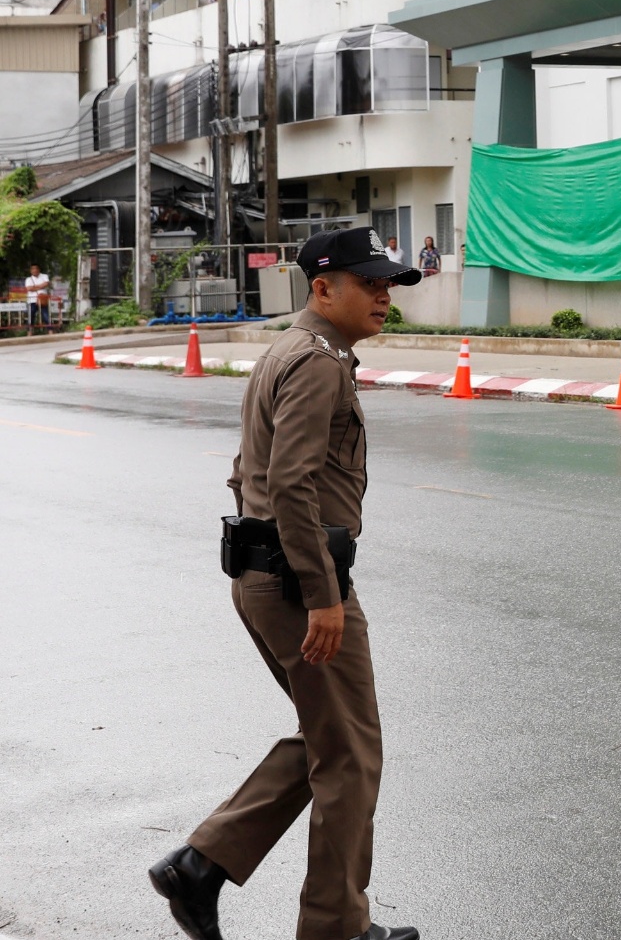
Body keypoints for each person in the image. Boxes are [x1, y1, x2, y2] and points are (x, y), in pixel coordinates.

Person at [148, 227, 422, 940]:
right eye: (371, 282)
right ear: (323, 287)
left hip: (269, 574)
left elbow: (249, 470)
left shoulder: (293, 349)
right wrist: (321, 592)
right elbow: (291, 484)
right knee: (352, 754)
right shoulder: (318, 361)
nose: (384, 295)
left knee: (333, 737)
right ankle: (335, 928)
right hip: (301, 582)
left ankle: (201, 865)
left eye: (389, 282)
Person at [24, 263, 51, 329]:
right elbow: (29, 288)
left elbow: (46, 284)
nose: (35, 270)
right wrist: (40, 286)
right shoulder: (28, 279)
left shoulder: (44, 276)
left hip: (42, 299)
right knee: (31, 316)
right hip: (32, 300)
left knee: (46, 316)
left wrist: (34, 287)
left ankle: (50, 331)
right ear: (30, 271)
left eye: (36, 268)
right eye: (33, 269)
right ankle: (29, 332)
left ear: (39, 269)